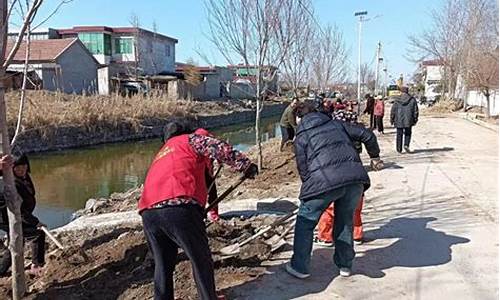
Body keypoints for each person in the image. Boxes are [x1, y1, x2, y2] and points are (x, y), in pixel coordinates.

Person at [139, 119, 258, 300]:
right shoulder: (190, 140)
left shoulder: (162, 152)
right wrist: (245, 165)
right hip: (178, 206)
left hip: (148, 213)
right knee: (201, 260)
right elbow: (219, 147)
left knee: (163, 265)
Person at [286, 103, 382, 279]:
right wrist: (374, 156)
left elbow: (303, 167)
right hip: (354, 180)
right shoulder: (336, 124)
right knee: (345, 220)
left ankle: (300, 267)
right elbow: (367, 135)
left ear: (299, 118)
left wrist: (310, 186)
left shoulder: (301, 135)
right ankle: (345, 265)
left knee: (305, 222)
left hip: (323, 180)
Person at [0, 154, 46, 277]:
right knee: (37, 234)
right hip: (8, 217)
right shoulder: (11, 183)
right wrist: (35, 222)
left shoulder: (25, 177)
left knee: (15, 243)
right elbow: (18, 209)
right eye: (18, 168)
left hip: (18, 215)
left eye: (24, 167)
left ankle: (1, 270)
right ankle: (37, 265)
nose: (21, 170)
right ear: (12, 168)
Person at [390, 86, 419, 153]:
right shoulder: (412, 100)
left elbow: (393, 110)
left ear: (401, 91)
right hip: (409, 119)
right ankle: (406, 145)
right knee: (408, 133)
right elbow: (415, 111)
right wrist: (415, 119)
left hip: (398, 120)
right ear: (407, 91)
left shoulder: (397, 100)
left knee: (399, 134)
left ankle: (399, 149)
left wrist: (392, 119)